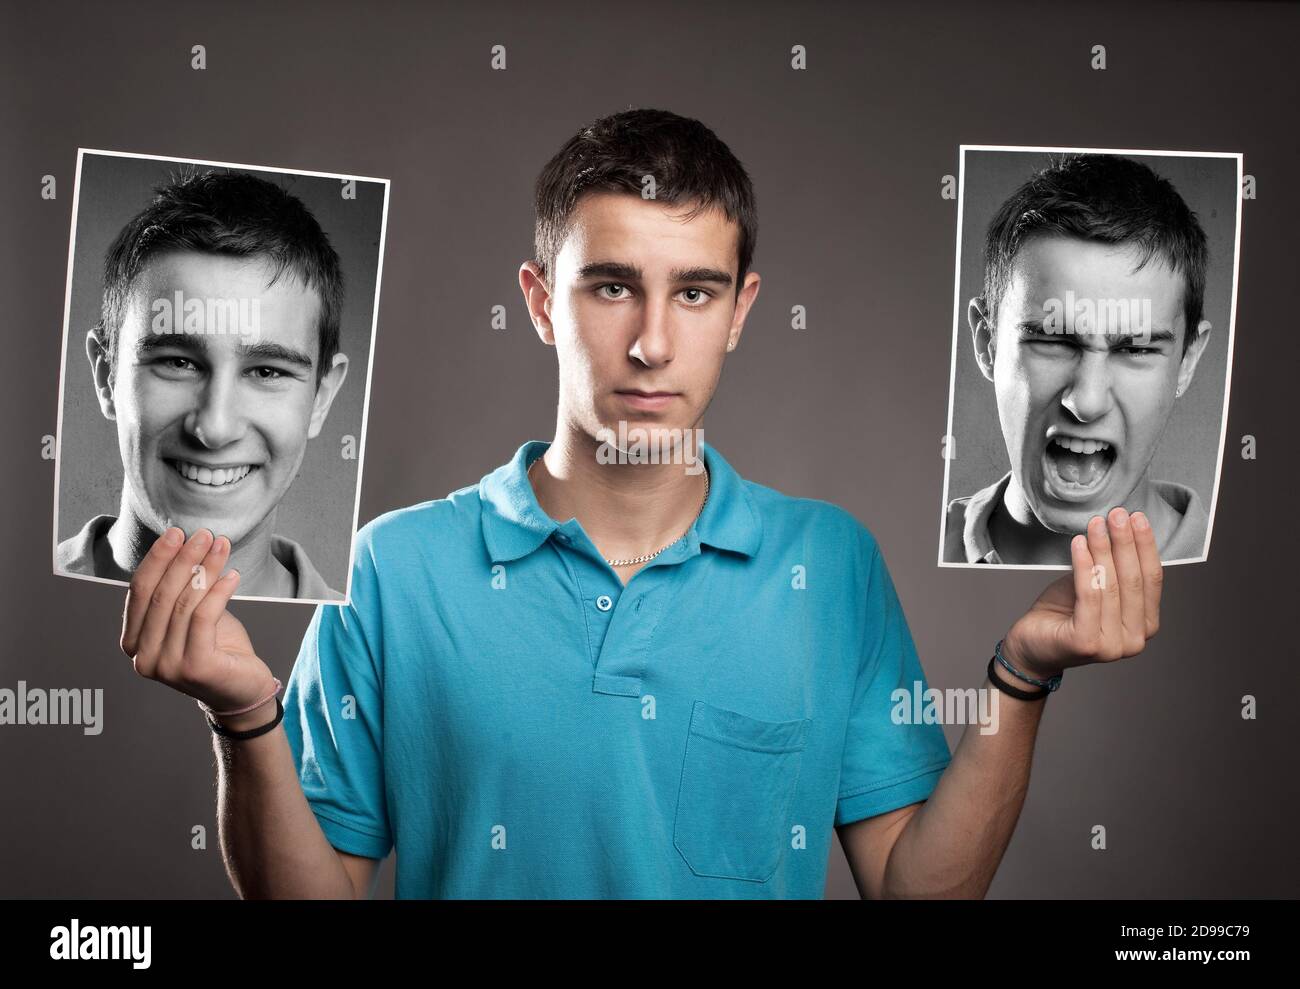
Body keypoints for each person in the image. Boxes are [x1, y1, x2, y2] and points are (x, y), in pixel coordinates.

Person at [118, 110, 1164, 899]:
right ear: (539, 300)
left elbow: (914, 886)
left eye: (695, 291)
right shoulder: (397, 566)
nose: (653, 340)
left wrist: (1021, 675)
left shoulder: (829, 563)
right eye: (611, 286)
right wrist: (241, 712)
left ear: (742, 310)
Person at [57, 170, 349, 600]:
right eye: (178, 362)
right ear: (106, 376)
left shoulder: (360, 645)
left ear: (321, 399)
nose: (214, 429)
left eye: (266, 372)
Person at [944, 154, 1214, 566]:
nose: (1086, 402)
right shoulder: (894, 551)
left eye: (1136, 349)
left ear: (1188, 361)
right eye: (1053, 340)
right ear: (987, 342)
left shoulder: (1260, 572)